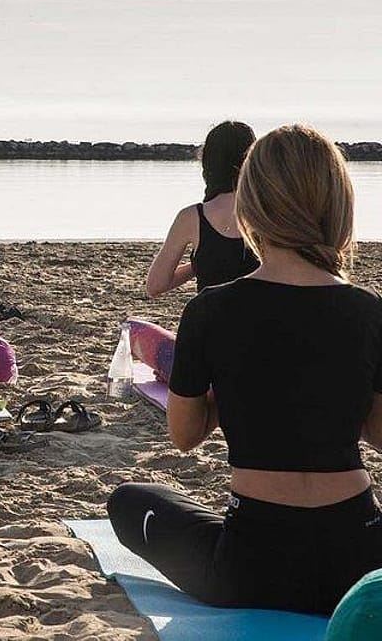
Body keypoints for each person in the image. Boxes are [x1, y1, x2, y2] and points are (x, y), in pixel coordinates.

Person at [107, 125, 382, 615]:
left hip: (250, 565)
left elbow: (185, 434)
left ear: (251, 207)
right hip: (360, 557)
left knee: (127, 501)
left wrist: (237, 389)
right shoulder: (368, 310)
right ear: (339, 206)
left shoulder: (211, 311)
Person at [145, 120, 258, 297]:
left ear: (208, 162)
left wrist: (200, 264)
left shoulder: (191, 217)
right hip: (264, 321)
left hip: (210, 320)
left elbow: (156, 285)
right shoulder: (270, 213)